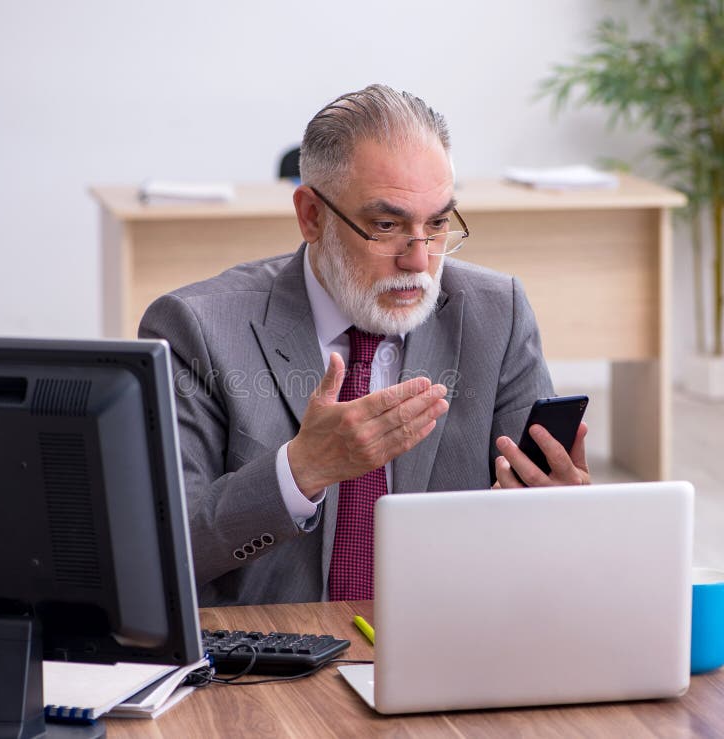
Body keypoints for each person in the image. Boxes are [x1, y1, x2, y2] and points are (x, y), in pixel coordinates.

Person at [139, 84, 590, 607]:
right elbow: (162, 551)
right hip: (268, 663)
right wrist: (300, 470)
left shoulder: (497, 313)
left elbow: (538, 532)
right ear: (311, 216)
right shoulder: (196, 328)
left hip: (446, 642)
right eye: (386, 226)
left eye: (438, 224)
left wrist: (563, 512)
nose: (419, 260)